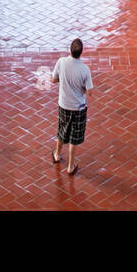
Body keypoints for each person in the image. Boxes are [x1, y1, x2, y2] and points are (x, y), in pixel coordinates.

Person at [51, 38, 93, 176]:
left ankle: (57, 154)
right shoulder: (85, 69)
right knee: (74, 137)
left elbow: (53, 79)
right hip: (78, 108)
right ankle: (70, 166)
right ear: (81, 52)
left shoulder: (61, 62)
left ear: (70, 49)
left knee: (62, 130)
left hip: (64, 105)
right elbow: (89, 92)